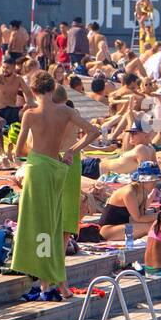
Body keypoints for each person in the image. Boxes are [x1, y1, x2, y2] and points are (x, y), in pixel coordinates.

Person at [12, 71, 100, 300]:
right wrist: (72, 150)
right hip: (56, 168)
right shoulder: (66, 111)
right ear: (53, 89)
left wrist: (33, 154)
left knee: (36, 226)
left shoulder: (30, 114)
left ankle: (43, 283)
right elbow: (94, 131)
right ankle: (51, 282)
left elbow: (18, 150)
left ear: (33, 91)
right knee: (53, 224)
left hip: (36, 167)